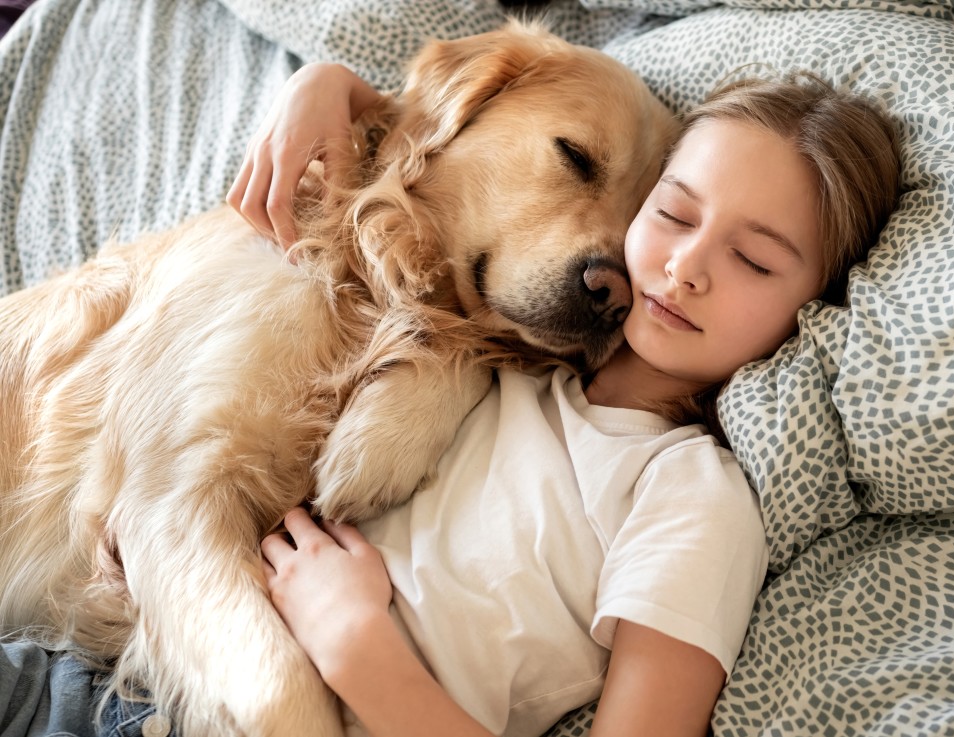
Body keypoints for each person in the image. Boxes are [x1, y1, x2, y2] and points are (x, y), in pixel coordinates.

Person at [1, 63, 899, 737]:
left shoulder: (693, 496)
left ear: (811, 315)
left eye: (754, 259)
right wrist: (331, 86)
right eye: (667, 212)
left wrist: (360, 647)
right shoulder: (517, 360)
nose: (674, 267)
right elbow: (431, 144)